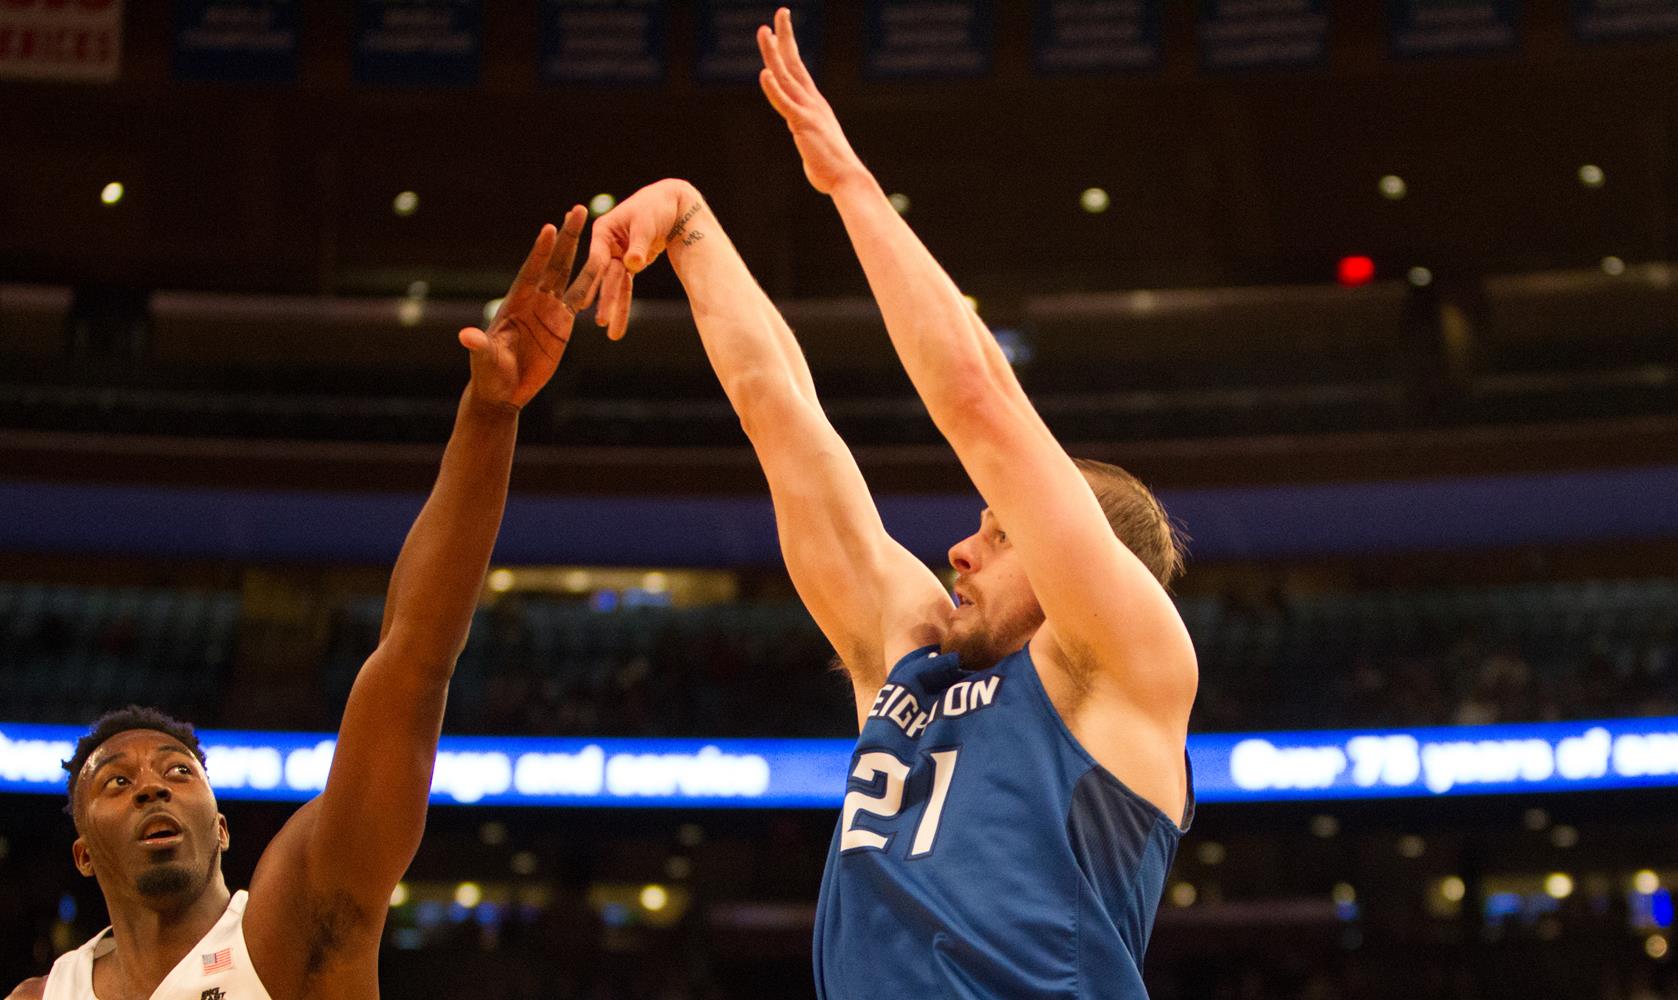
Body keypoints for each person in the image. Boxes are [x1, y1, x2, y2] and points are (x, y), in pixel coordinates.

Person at [580, 9, 1198, 996]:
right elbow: (779, 417)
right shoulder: (906, 659)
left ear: (1077, 555)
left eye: (997, 533)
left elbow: (979, 403)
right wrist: (689, 226)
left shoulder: (1127, 661)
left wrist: (843, 179)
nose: (959, 549)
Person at [9, 208, 600, 1000]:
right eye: (115, 781)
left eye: (178, 771)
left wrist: (489, 418)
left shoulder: (297, 917)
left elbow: (414, 658)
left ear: (220, 827)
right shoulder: (45, 995)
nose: (151, 785)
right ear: (83, 851)